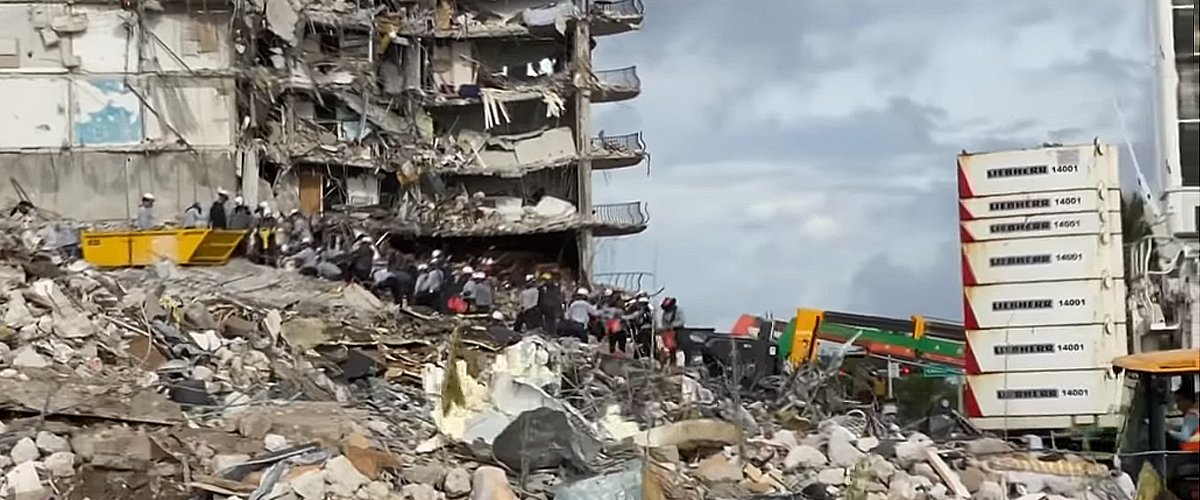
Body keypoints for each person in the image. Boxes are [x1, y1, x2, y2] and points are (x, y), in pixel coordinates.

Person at [658, 297, 685, 363]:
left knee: (674, 346)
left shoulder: (678, 310)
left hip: (678, 330)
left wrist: (672, 325)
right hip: (668, 332)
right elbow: (663, 323)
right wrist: (664, 328)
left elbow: (682, 321)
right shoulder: (665, 313)